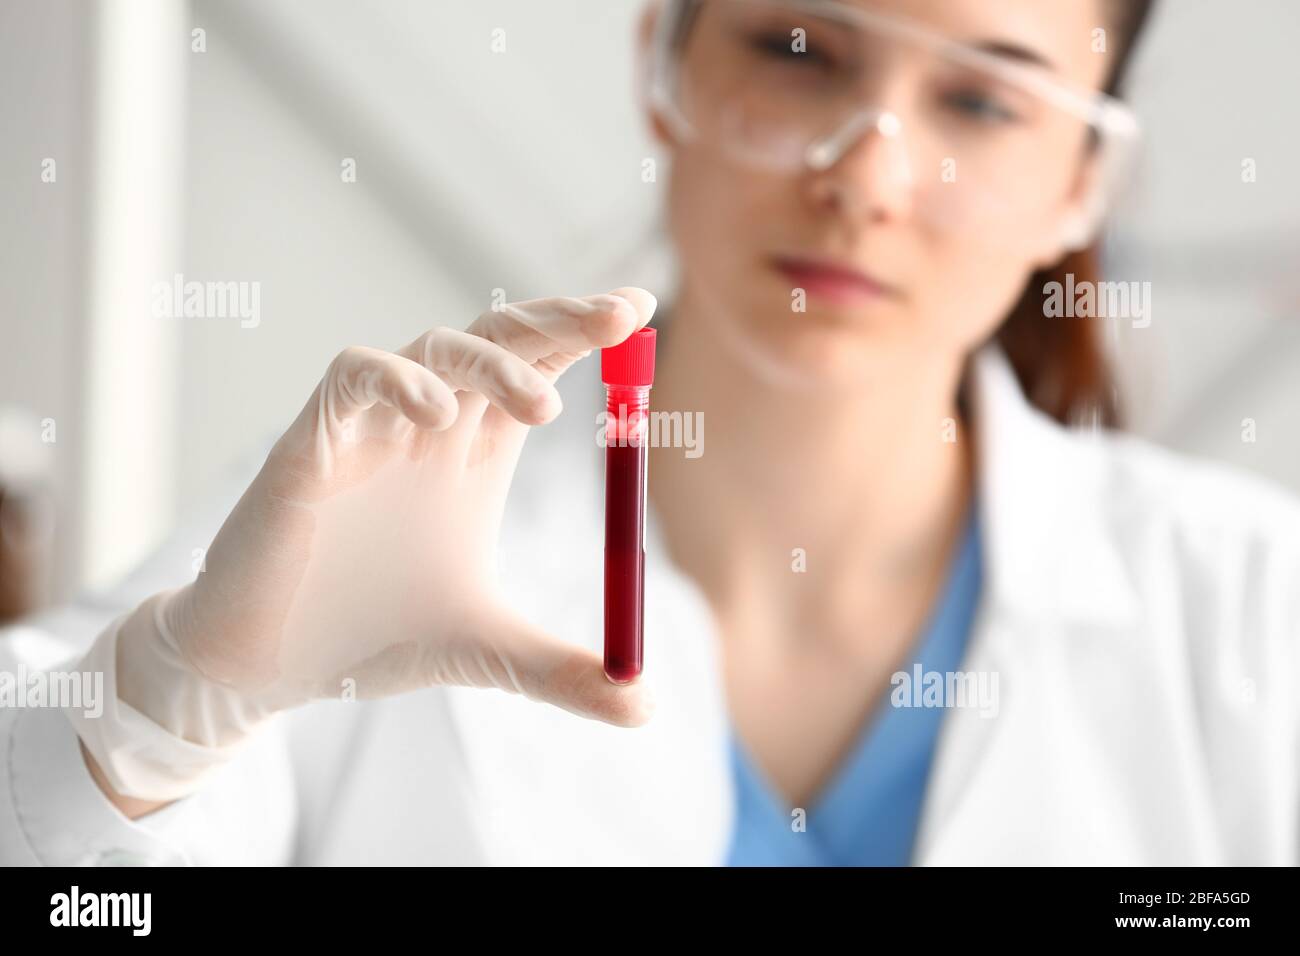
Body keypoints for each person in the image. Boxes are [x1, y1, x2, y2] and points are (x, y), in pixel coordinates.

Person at [3, 0, 1298, 866]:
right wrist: (161, 704)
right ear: (661, 67)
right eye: (799, 51)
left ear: (1083, 184)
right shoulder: (383, 523)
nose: (865, 176)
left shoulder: (1250, 609)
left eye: (983, 105)